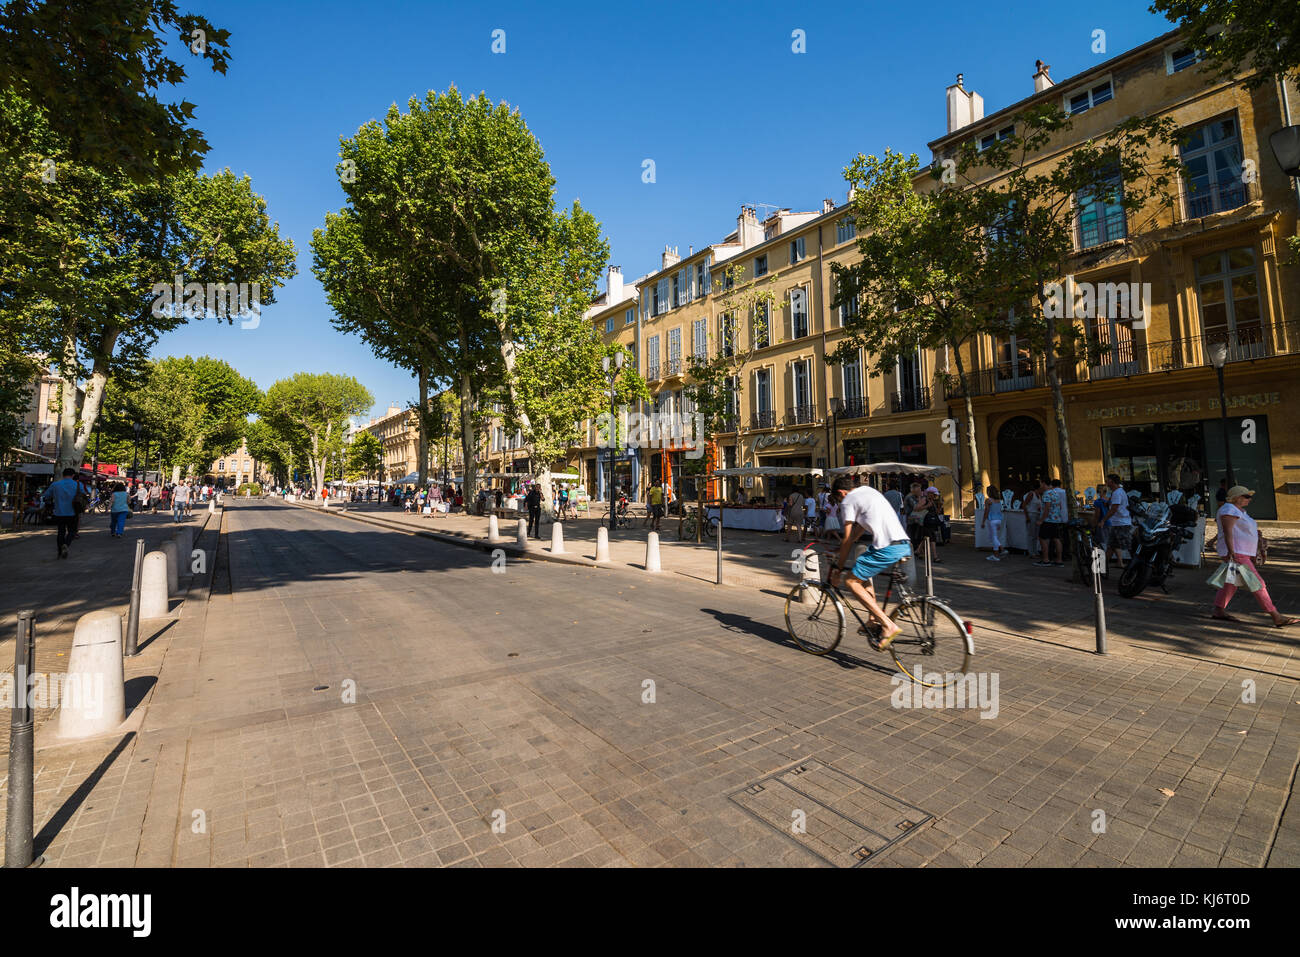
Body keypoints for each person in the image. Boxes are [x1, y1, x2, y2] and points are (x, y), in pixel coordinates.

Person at [829, 477, 909, 646]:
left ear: (841, 493)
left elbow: (847, 537)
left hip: (887, 548)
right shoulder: (868, 491)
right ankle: (872, 620)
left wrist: (838, 569)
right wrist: (845, 545)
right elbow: (861, 528)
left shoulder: (847, 501)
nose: (839, 502)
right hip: (902, 543)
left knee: (850, 581)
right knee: (861, 567)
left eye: (837, 499)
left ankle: (888, 624)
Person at [1211, 486, 1298, 627]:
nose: (1249, 499)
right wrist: (1232, 551)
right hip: (1237, 552)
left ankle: (1219, 610)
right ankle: (1276, 616)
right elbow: (1228, 532)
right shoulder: (1229, 509)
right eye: (1246, 496)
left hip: (1241, 551)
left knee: (1231, 583)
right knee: (1257, 583)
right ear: (1237, 497)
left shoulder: (1240, 511)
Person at [43, 468, 82, 558]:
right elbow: (83, 495)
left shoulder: (55, 484)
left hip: (59, 512)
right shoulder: (77, 484)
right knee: (72, 531)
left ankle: (60, 550)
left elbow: (46, 495)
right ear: (73, 475)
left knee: (61, 531)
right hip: (73, 512)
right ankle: (66, 544)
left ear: (63, 475)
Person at [1035, 478, 1068, 567]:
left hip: (1048, 520)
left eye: (1041, 483)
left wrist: (1041, 520)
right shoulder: (1055, 493)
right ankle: (1059, 560)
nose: (1040, 486)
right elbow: (1060, 506)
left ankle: (1046, 559)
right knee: (1056, 538)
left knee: (1042, 538)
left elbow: (1047, 508)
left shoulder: (1046, 494)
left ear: (1043, 483)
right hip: (1056, 519)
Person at [1103, 474, 1132, 570]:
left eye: (1107, 481)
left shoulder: (1117, 493)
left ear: (1112, 481)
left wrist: (1103, 520)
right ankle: (1103, 566)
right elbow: (1112, 505)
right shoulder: (1117, 492)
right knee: (1112, 545)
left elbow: (1114, 509)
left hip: (1121, 523)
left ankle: (1136, 564)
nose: (1106, 483)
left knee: (1127, 545)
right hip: (1118, 522)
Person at [981, 485, 1004, 561]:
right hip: (999, 520)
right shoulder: (999, 500)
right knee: (992, 537)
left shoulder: (988, 500)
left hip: (992, 520)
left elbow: (986, 512)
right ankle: (999, 550)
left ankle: (997, 553)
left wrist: (983, 521)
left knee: (993, 537)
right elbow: (999, 511)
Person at [1024, 480, 1044, 558]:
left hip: (1037, 515)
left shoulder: (1039, 495)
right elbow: (1024, 504)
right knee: (1031, 534)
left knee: (1036, 535)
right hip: (1031, 515)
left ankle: (1035, 551)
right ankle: (1031, 552)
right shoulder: (1031, 494)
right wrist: (1027, 517)